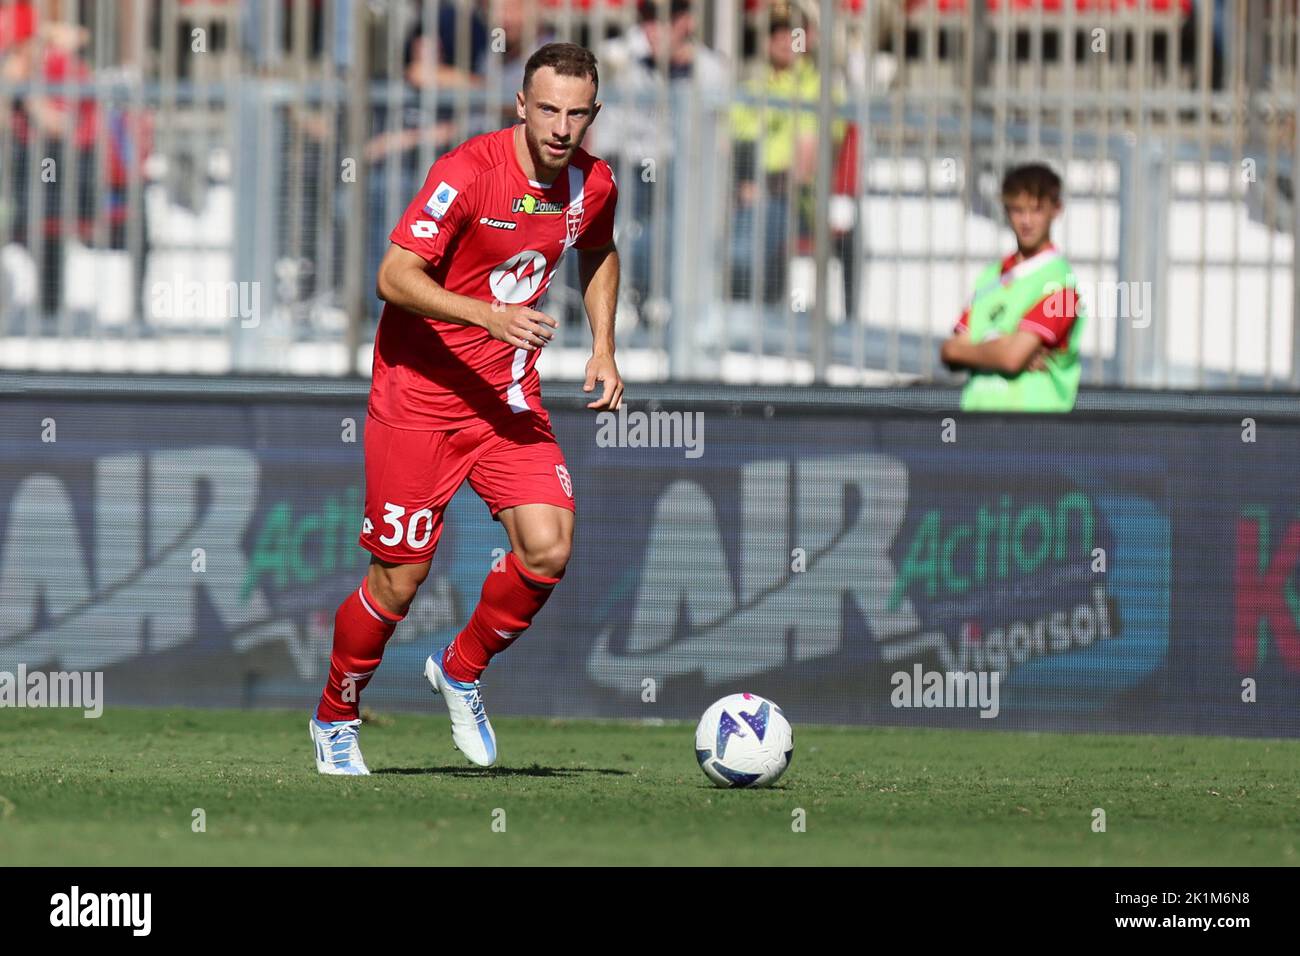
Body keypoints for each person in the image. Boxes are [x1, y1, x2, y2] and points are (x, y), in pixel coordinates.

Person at [310, 42, 622, 775]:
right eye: (547, 108)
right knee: (399, 580)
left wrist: (604, 345)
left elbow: (600, 250)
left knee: (548, 546)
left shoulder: (595, 184)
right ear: (521, 104)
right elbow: (393, 275)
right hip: (418, 396)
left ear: (593, 115)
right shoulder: (466, 173)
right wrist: (485, 316)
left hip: (506, 397)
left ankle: (459, 668)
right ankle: (335, 716)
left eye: (577, 113)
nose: (560, 126)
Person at [939, 163, 1085, 413]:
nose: (1026, 221)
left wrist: (979, 351)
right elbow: (950, 351)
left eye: (1036, 210)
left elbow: (1011, 358)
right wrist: (1005, 347)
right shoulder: (991, 277)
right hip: (977, 422)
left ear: (1056, 209)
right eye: (1017, 210)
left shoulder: (1061, 284)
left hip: (1032, 429)